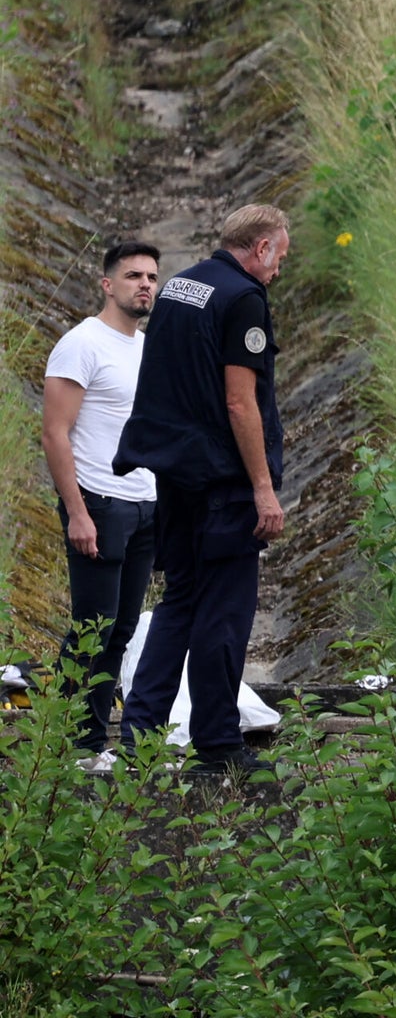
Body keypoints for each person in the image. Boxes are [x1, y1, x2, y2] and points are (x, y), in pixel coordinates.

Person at [113, 206, 292, 773]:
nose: (278, 271)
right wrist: (262, 487)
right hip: (223, 483)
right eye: (279, 258)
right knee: (225, 612)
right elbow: (240, 401)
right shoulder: (244, 300)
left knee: (180, 602)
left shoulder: (180, 286)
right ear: (260, 248)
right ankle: (217, 743)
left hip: (176, 475)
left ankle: (139, 736)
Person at [42, 241, 160, 760]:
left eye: (152, 277)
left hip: (144, 504)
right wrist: (78, 512)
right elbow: (55, 433)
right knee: (93, 628)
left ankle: (92, 740)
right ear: (108, 285)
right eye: (134, 276)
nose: (145, 285)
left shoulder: (147, 347)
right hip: (100, 503)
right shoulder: (81, 344)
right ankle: (63, 743)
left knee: (123, 630)